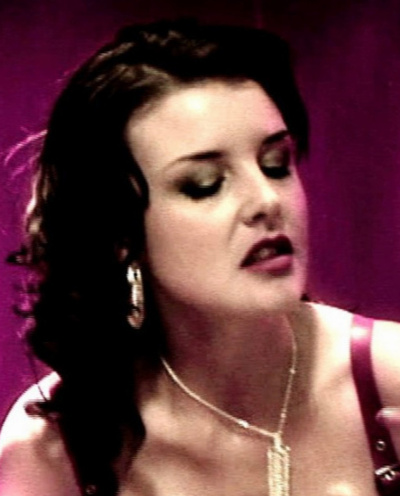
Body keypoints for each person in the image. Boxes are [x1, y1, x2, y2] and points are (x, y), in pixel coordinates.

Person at [0, 18, 399, 496]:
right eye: (204, 185)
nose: (266, 200)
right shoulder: (54, 447)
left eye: (275, 165)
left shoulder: (388, 377)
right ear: (118, 231)